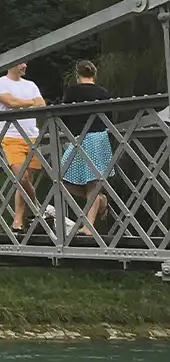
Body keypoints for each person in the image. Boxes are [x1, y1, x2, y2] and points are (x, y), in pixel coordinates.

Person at [60, 59, 114, 237]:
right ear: (94, 74)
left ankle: (89, 226)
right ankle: (99, 200)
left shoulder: (72, 91)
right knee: (92, 182)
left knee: (60, 177)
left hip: (82, 138)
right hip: (100, 137)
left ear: (77, 75)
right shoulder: (103, 92)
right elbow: (109, 117)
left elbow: (63, 116)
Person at [0, 60, 46, 233]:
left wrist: (22, 102)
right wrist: (31, 102)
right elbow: (10, 103)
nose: (25, 66)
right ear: (11, 64)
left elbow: (42, 104)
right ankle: (37, 210)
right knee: (22, 178)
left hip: (32, 137)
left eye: (26, 62)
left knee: (24, 181)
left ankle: (17, 221)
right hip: (12, 135)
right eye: (21, 63)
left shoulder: (30, 84)